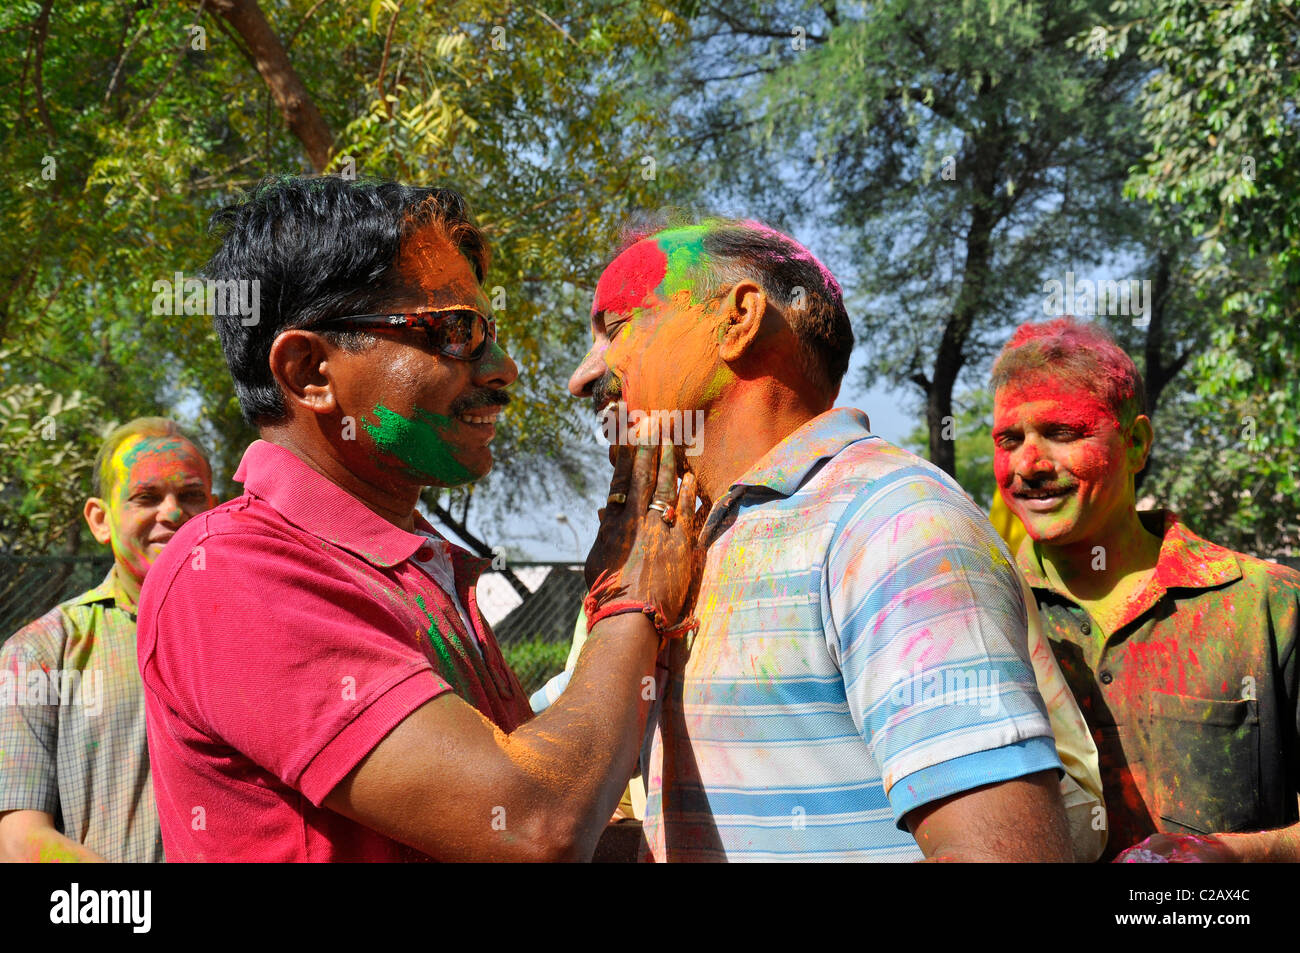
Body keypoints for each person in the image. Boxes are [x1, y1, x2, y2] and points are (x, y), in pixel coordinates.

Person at [137, 175, 698, 861]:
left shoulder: (414, 566)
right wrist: (632, 589)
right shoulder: (230, 573)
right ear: (310, 370)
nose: (505, 368)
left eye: (489, 332)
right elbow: (534, 822)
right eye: (456, 331)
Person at [567, 217, 1092, 861]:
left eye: (616, 329)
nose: (584, 376)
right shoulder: (667, 547)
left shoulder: (894, 523)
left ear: (738, 319)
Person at [990, 316, 1300, 862]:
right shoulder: (977, 616)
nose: (1028, 465)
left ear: (1136, 443)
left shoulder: (1265, 605)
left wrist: (1234, 856)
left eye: (1061, 433)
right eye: (1009, 439)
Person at [0, 417, 214, 862]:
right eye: (146, 497)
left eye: (191, 496)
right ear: (101, 519)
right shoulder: (39, 653)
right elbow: (19, 843)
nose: (172, 513)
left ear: (215, 509)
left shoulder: (259, 632)